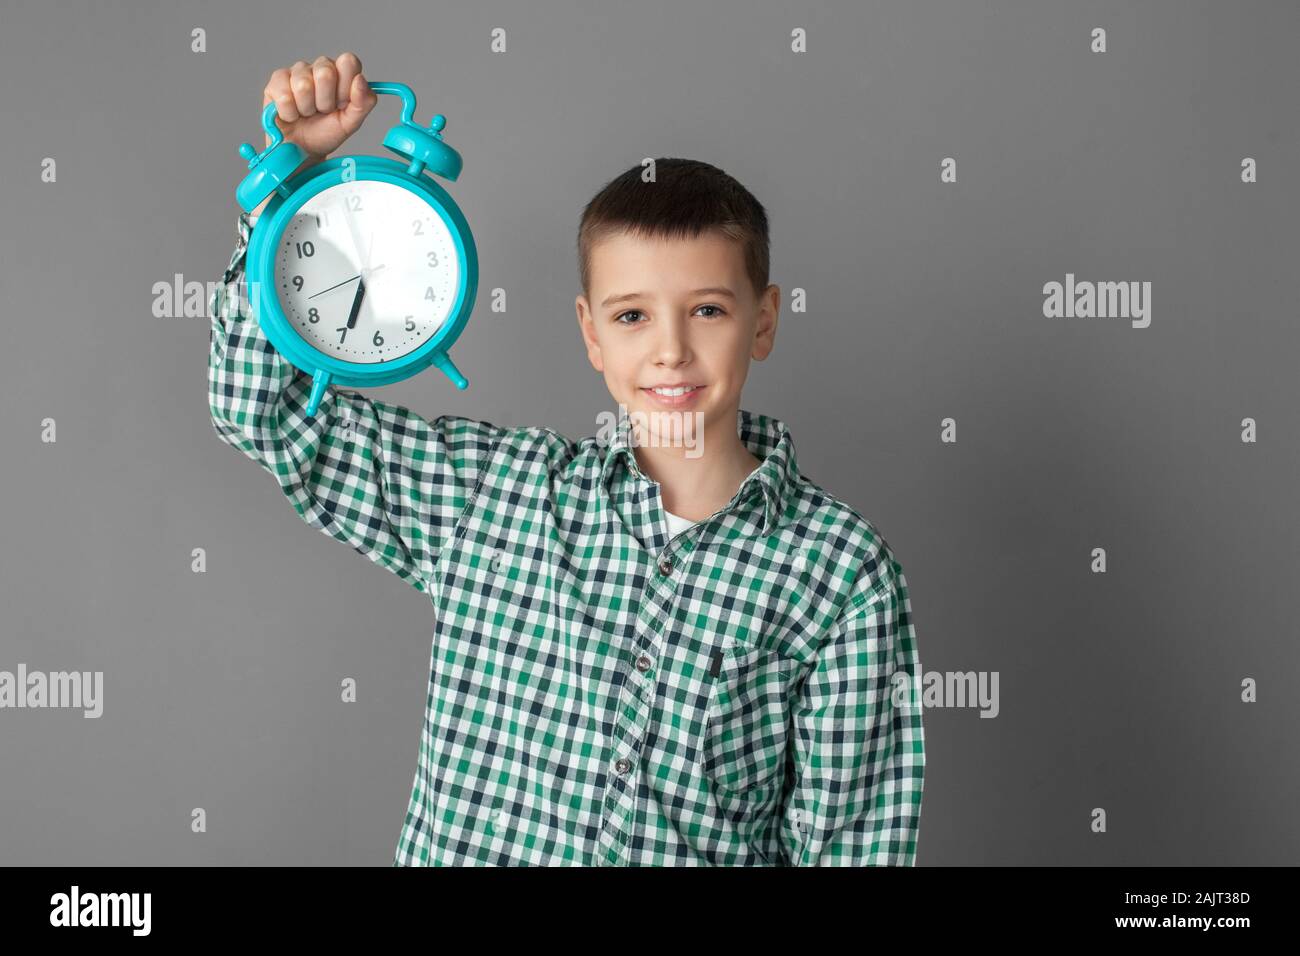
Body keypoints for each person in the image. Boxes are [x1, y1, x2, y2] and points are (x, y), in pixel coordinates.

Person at [208, 52, 925, 866]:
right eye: (631, 317)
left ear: (763, 322)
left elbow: (852, 847)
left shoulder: (842, 573)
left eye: (709, 310)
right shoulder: (489, 496)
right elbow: (259, 411)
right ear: (590, 332)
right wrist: (292, 192)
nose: (670, 351)